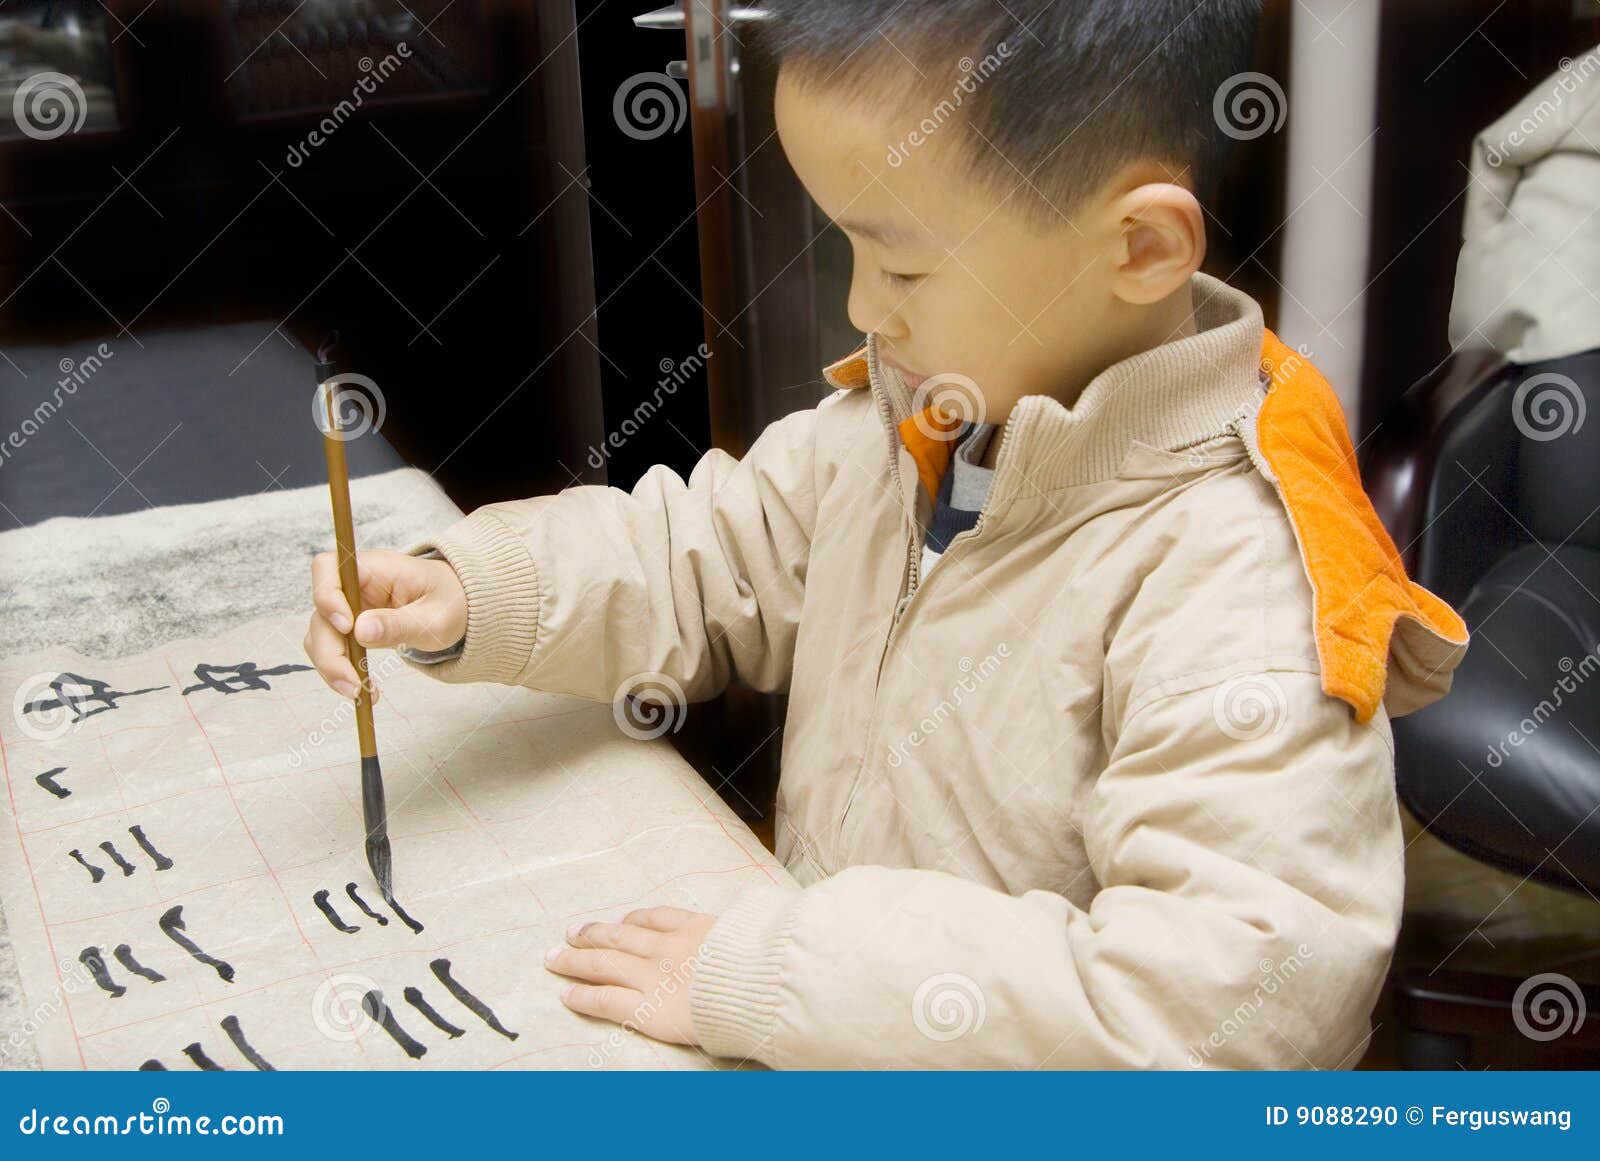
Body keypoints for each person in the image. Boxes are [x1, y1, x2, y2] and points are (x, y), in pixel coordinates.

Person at [304, 0, 1469, 1068]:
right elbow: (710, 551)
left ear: (1140, 249)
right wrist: (479, 589)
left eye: (901, 260)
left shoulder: (1241, 576)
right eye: (844, 249)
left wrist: (783, 973)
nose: (864, 307)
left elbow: (1220, 1012)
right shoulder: (918, 421)